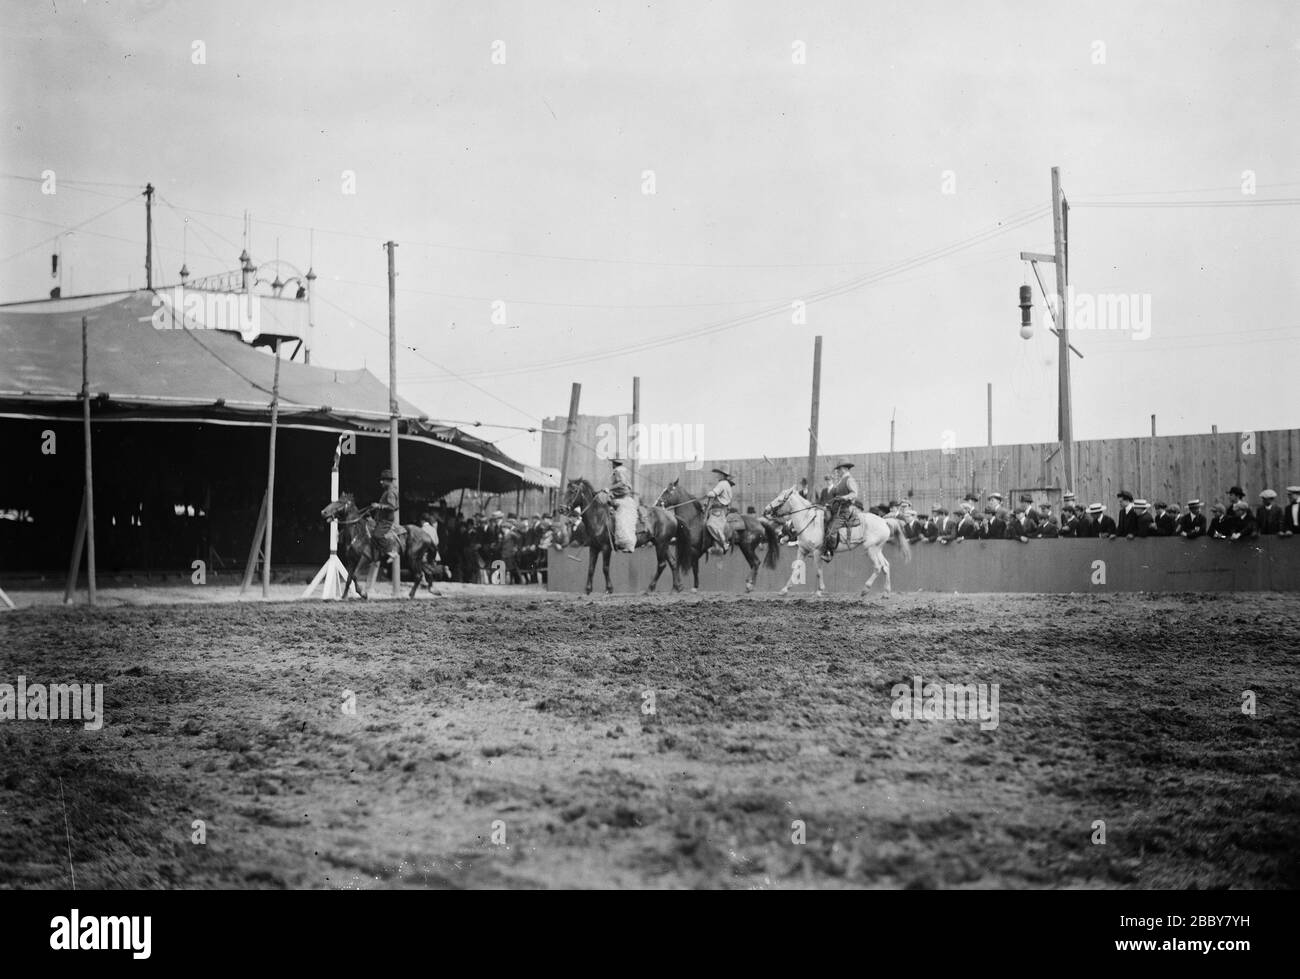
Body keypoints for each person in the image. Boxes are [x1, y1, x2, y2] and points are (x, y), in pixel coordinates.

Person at [822, 462, 861, 556]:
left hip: (843, 511)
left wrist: (844, 497)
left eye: (839, 469)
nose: (837, 471)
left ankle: (829, 553)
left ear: (844, 469)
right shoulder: (840, 481)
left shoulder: (849, 480)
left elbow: (854, 494)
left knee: (831, 530)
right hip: (835, 509)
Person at [370, 469, 401, 563]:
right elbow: (396, 507)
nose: (381, 482)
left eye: (383, 480)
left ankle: (392, 551)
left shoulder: (390, 492)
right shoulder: (389, 491)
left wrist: (379, 506)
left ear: (388, 481)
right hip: (383, 519)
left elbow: (392, 507)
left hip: (386, 520)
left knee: (377, 535)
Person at [704, 468, 734, 555]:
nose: (717, 475)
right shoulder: (725, 483)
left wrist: (709, 493)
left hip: (719, 510)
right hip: (720, 508)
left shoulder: (722, 483)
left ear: (722, 474)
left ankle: (724, 543)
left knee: (710, 524)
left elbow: (713, 493)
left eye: (719, 473)